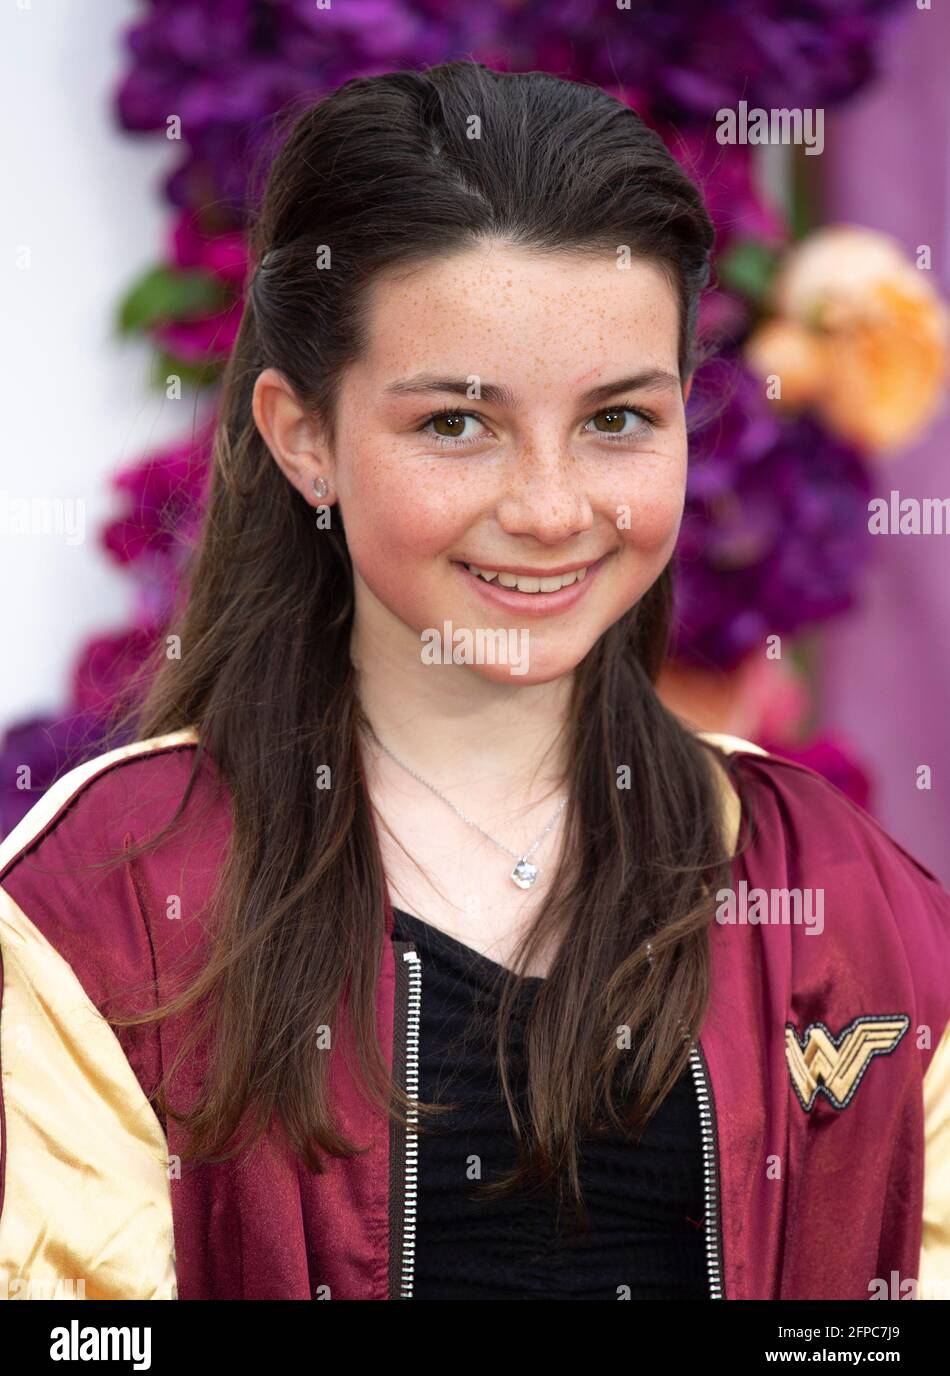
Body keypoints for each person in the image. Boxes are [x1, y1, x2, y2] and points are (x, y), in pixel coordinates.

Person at [1, 60, 948, 1303]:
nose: (550, 510)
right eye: (456, 422)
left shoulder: (836, 894)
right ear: (302, 437)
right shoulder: (108, 901)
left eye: (616, 420)